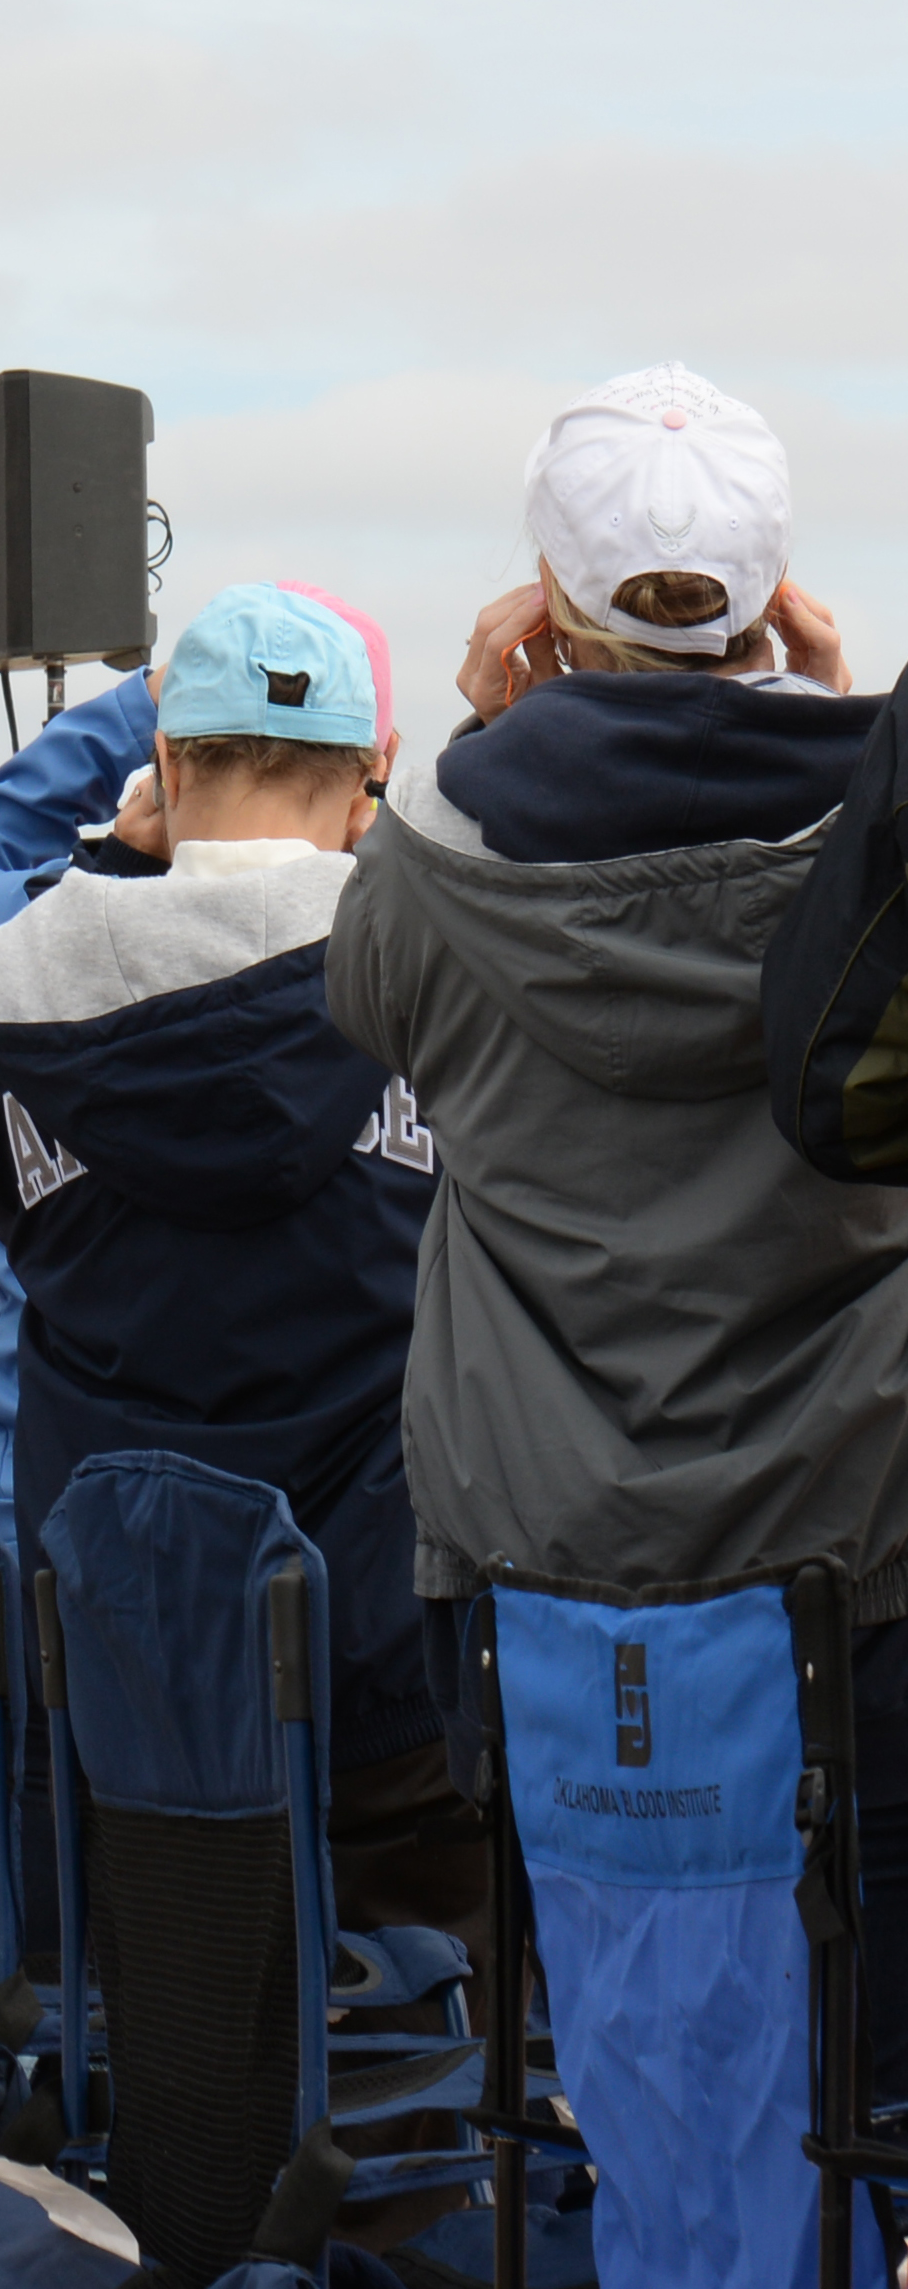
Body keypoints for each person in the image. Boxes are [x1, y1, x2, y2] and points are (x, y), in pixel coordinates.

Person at [328, 379, 907, 1916]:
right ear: (778, 597)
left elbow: (366, 1004)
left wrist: (479, 728)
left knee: (590, 1952)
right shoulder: (885, 833)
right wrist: (837, 718)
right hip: (860, 1542)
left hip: (539, 1559)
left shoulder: (434, 853)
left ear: (544, 602)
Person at [0, 585, 479, 1944]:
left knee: (165, 2034)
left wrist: (111, 865)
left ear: (164, 765)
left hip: (127, 1669)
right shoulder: (445, 984)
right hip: (392, 1668)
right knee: (440, 2025)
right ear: (373, 780)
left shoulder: (11, 1001)